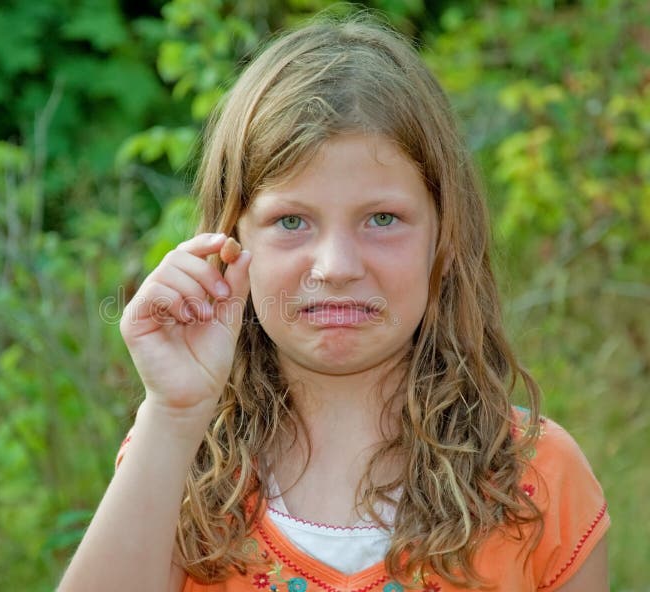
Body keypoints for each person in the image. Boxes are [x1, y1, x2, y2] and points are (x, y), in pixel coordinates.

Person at [58, 12, 609, 592]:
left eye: (382, 219)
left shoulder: (536, 480)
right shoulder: (175, 464)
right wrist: (172, 415)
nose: (338, 267)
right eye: (292, 221)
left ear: (445, 238)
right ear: (230, 240)